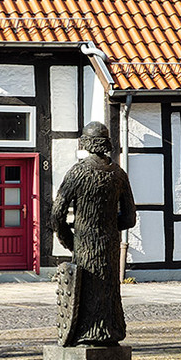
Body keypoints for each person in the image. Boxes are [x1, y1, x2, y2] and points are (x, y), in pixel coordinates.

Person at [50, 121, 137, 346]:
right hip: (109, 244)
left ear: (86, 144)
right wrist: (108, 225)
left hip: (84, 244)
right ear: (107, 144)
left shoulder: (77, 172)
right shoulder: (118, 175)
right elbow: (129, 218)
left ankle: (85, 333)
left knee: (85, 290)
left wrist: (71, 240)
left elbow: (57, 214)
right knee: (108, 290)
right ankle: (109, 332)